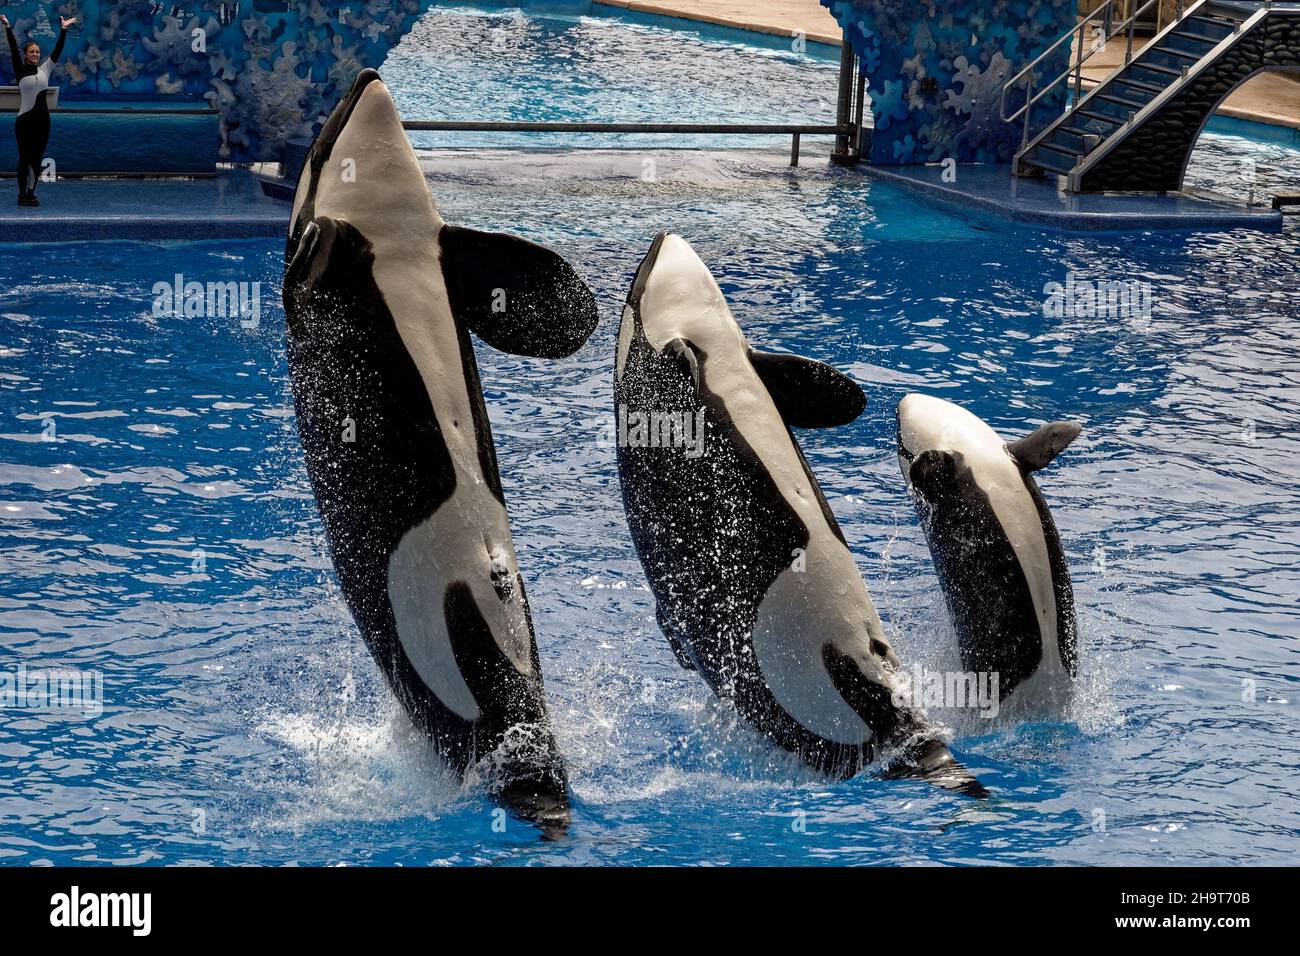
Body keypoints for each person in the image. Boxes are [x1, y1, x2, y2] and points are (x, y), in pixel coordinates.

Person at [2, 11, 76, 206]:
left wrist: (63, 30)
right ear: (26, 55)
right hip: (24, 121)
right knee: (24, 158)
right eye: (31, 52)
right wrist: (8, 27)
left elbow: (58, 51)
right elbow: (12, 47)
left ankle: (31, 192)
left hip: (43, 121)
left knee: (36, 158)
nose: (35, 54)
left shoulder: (45, 69)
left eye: (37, 52)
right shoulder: (19, 69)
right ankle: (21, 194)